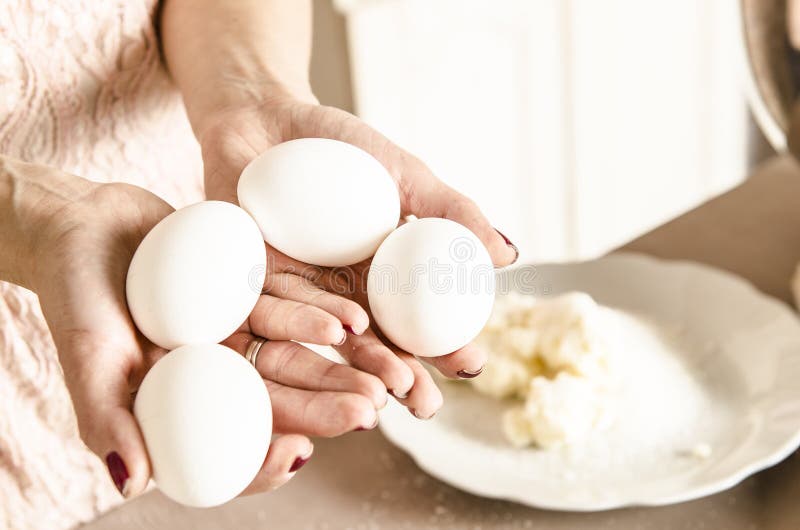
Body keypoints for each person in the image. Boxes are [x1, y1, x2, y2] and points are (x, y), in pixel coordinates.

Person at [0, 1, 517, 527]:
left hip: (182, 226)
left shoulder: (230, 232)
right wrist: (32, 218)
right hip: (129, 277)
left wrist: (249, 95)